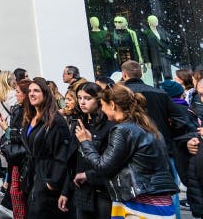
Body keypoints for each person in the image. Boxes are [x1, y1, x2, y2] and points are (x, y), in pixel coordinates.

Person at [74, 84, 178, 219]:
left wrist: (86, 142)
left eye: (102, 104)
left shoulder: (122, 130)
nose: (102, 109)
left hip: (140, 204)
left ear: (112, 105)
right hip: (160, 200)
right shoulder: (147, 126)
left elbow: (103, 167)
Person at [121, 59, 196, 216]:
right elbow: (181, 121)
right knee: (169, 192)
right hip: (162, 148)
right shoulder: (160, 93)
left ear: (124, 74)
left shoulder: (120, 95)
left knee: (136, 196)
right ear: (141, 74)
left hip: (132, 153)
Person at [58, 82, 114, 219]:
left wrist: (89, 174)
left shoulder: (109, 126)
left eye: (88, 98)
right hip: (81, 190)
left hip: (102, 192)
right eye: (80, 98)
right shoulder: (79, 123)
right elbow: (72, 161)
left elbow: (111, 162)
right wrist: (65, 191)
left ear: (98, 99)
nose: (82, 102)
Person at [22, 77, 71, 219]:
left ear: (45, 94)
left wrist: (52, 182)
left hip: (47, 179)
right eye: (30, 91)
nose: (31, 94)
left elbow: (63, 154)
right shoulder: (30, 117)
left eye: (36, 91)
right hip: (32, 177)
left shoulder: (56, 121)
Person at [0, 79, 31, 219]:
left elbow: (23, 135)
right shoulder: (18, 108)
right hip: (17, 156)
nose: (15, 94)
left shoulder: (28, 112)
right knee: (15, 189)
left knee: (18, 190)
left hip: (23, 157)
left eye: (17, 92)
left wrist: (7, 130)